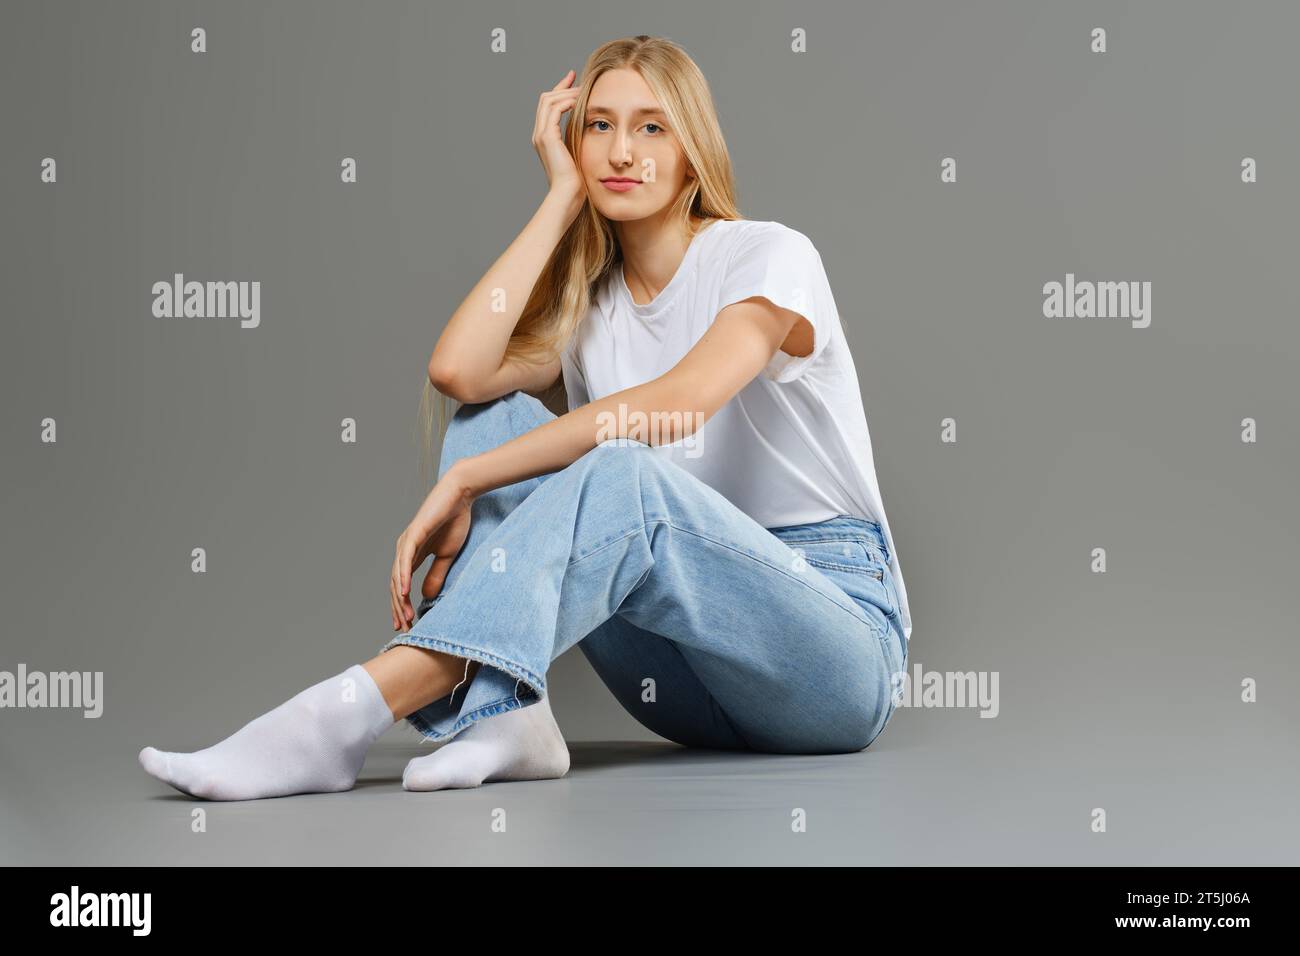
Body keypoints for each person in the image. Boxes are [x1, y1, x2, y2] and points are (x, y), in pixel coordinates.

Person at [138, 35, 912, 801]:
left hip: (829, 653)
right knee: (490, 417)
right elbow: (459, 370)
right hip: (685, 683)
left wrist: (470, 481)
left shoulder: (768, 257)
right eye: (599, 125)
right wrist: (559, 198)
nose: (622, 149)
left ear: (690, 152)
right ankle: (510, 720)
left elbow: (680, 403)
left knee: (617, 471)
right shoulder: (592, 313)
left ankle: (343, 713)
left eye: (652, 126)